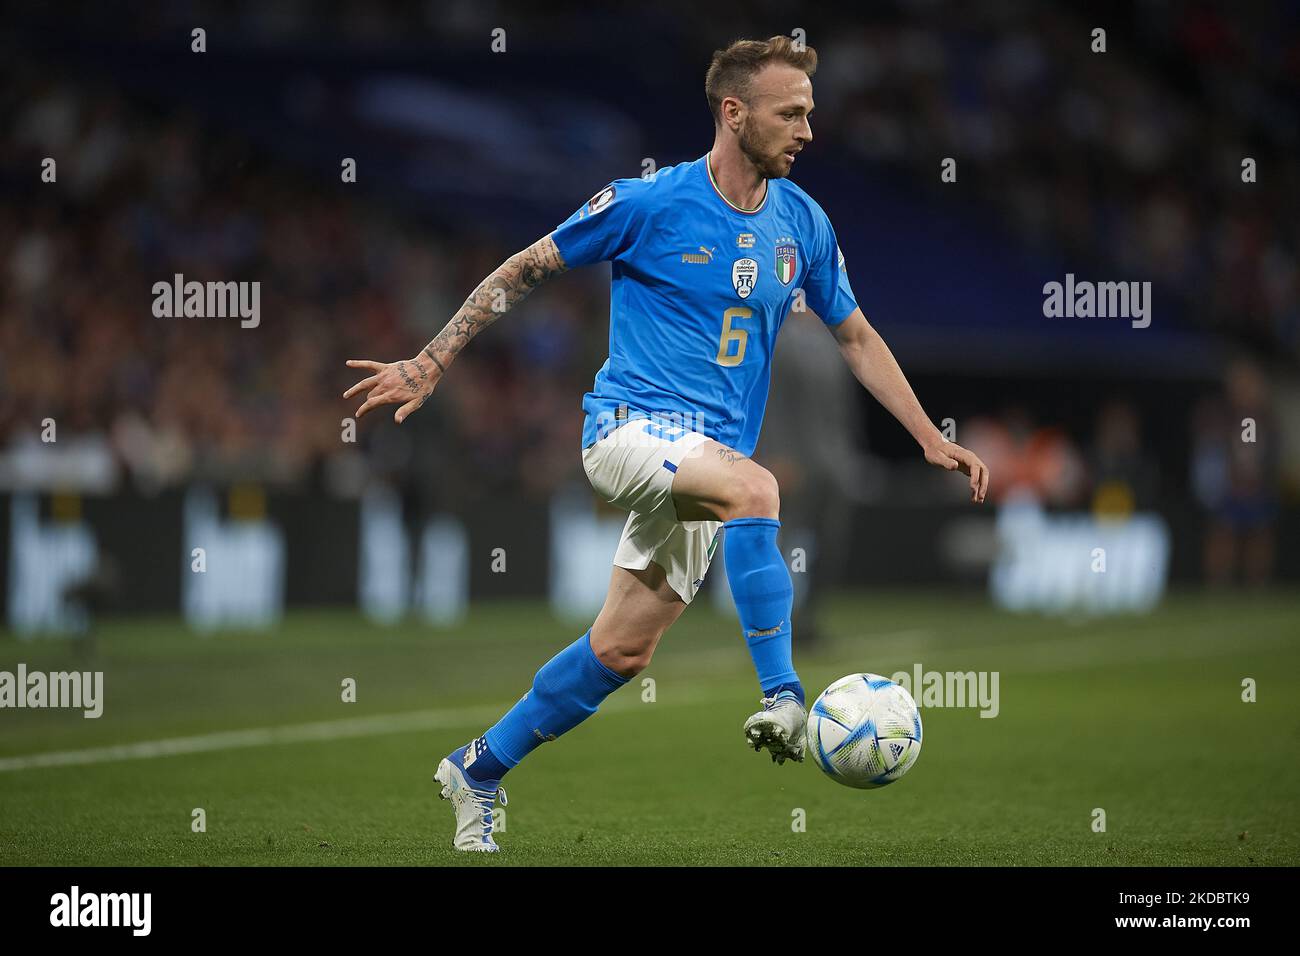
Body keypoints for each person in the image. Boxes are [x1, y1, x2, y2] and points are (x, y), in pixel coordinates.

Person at [344, 36, 989, 852]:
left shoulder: (805, 223)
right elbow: (522, 268)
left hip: (704, 467)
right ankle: (785, 695)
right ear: (734, 113)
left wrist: (929, 435)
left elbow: (855, 336)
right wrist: (431, 361)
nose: (807, 131)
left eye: (810, 114)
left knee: (620, 651)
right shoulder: (647, 203)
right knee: (759, 492)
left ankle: (476, 769)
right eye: (791, 114)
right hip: (628, 432)